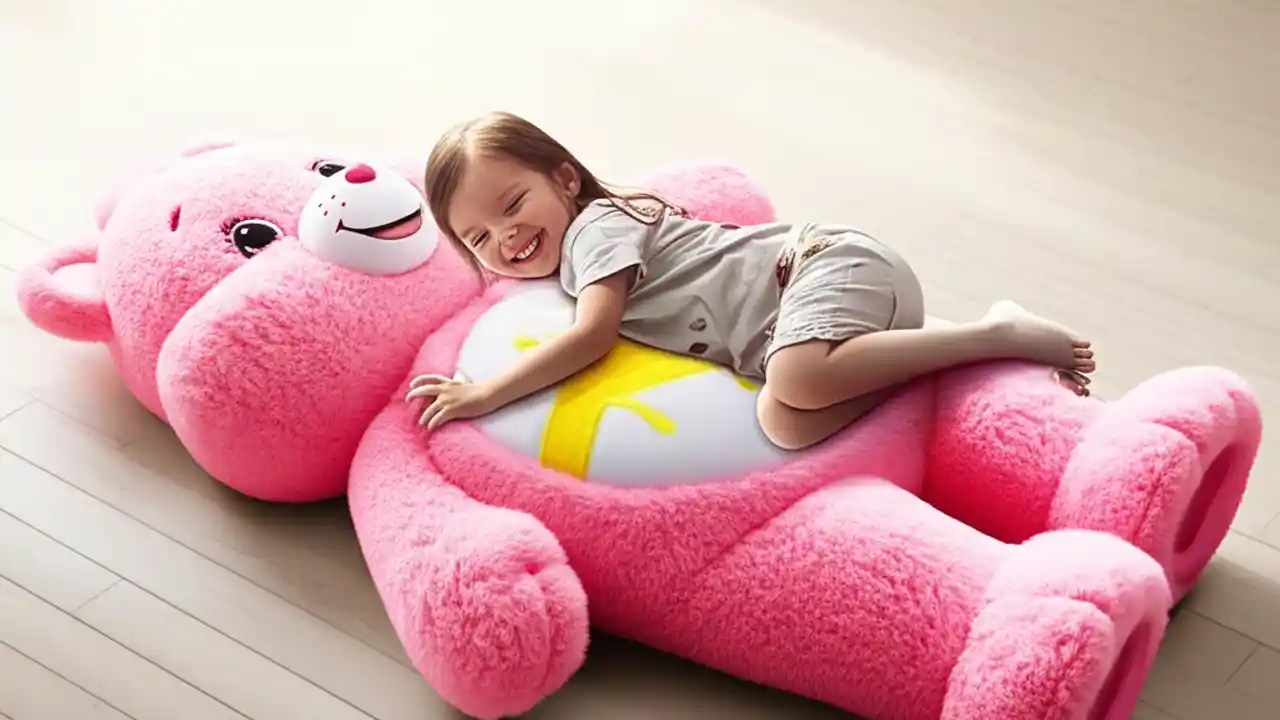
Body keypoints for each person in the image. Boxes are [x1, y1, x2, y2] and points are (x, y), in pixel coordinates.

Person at [405, 110, 1096, 450]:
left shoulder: (596, 231)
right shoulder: (570, 256)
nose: (506, 239)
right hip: (822, 325)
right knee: (784, 422)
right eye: (479, 239)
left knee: (793, 381)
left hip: (825, 265)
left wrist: (487, 393)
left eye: (512, 206)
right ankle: (929, 370)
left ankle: (995, 334)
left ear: (565, 178)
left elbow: (593, 338)